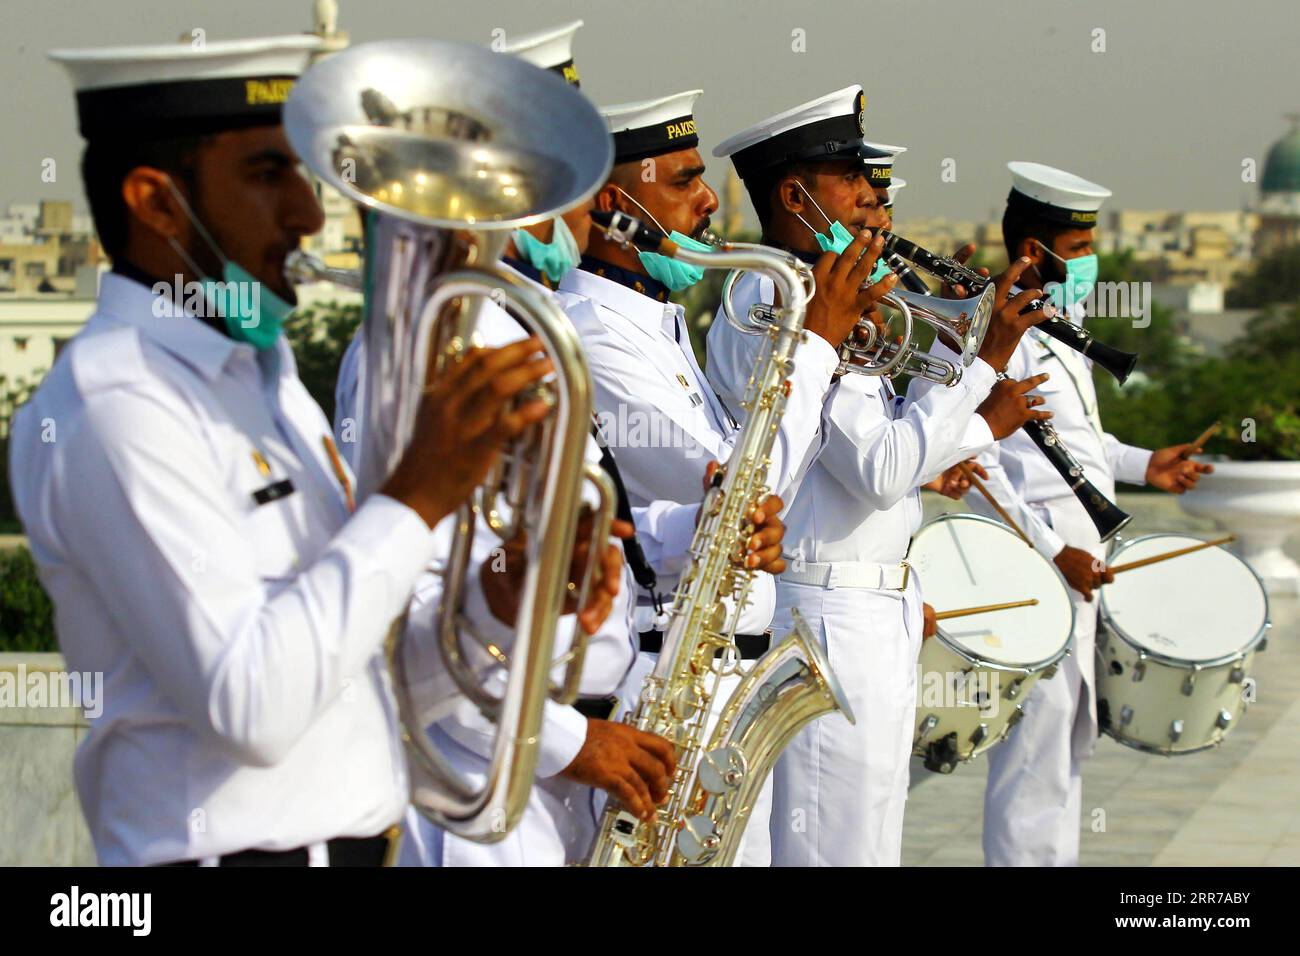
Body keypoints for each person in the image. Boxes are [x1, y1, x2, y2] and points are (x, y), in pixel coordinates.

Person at [9, 35, 566, 867]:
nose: (310, 213)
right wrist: (415, 497)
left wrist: (502, 595)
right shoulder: (119, 403)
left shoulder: (257, 377)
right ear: (157, 202)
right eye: (269, 176)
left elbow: (350, 681)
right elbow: (252, 706)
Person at [704, 86, 1053, 866]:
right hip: (826, 610)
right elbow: (883, 469)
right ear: (794, 195)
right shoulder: (778, 298)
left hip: (869, 606)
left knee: (868, 841)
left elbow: (888, 457)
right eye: (850, 177)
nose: (874, 197)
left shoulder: (829, 296)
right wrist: (981, 365)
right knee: (835, 847)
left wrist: (955, 363)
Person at [554, 88, 882, 866]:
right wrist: (819, 348)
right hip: (667, 677)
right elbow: (737, 487)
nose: (708, 202)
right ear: (612, 205)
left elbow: (742, 494)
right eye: (683, 181)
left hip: (719, 679)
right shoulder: (597, 334)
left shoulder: (656, 321)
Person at [963, 161, 1213, 866]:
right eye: (1077, 250)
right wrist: (1049, 552)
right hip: (1040, 571)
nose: (1091, 262)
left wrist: (1146, 465)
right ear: (1032, 253)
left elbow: (1077, 445)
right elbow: (979, 462)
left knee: (1067, 751)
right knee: (1032, 763)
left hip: (1081, 569)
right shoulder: (996, 336)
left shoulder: (1058, 325)